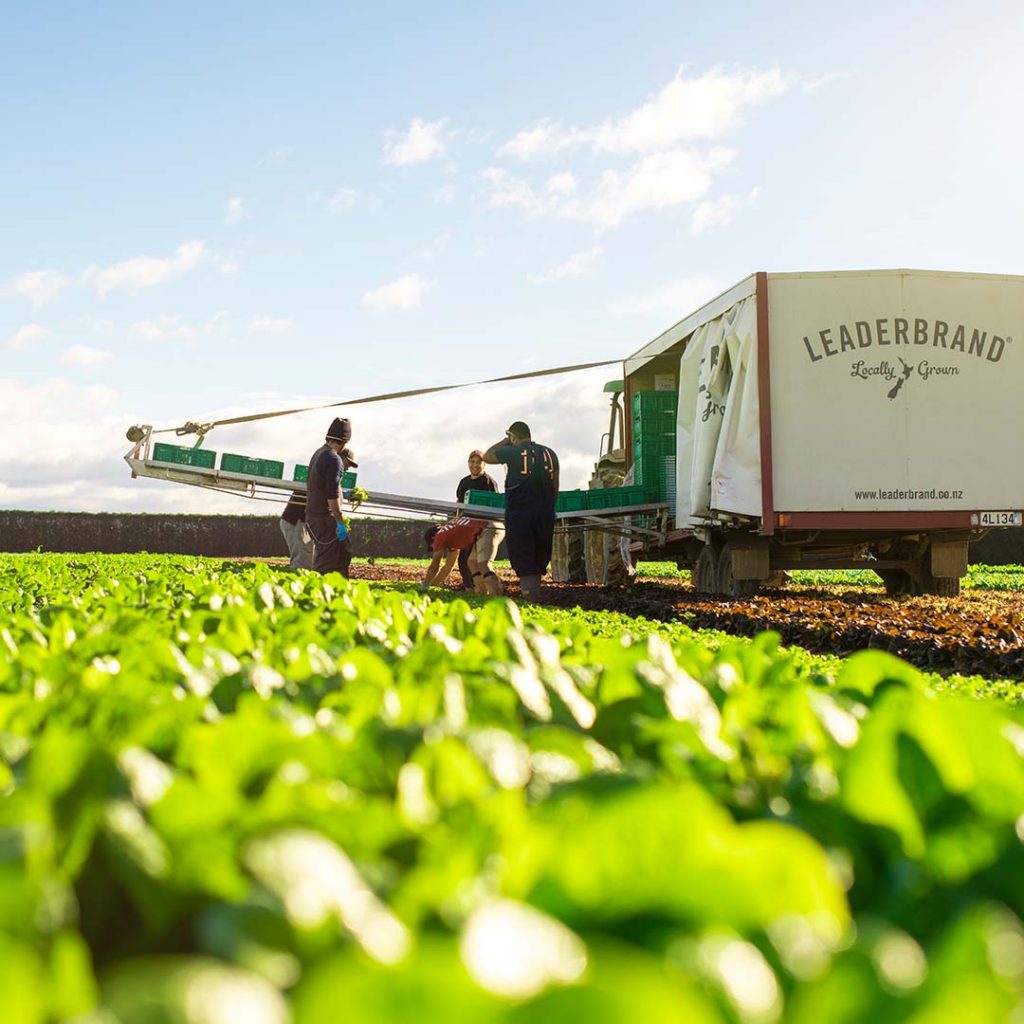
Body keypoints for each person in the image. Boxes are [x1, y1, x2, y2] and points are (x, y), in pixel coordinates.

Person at [483, 421, 558, 601]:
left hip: (520, 513)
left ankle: (530, 597)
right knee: (539, 555)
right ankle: (534, 594)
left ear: (513, 437)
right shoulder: (550, 453)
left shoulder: (513, 451)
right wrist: (549, 508)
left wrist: (505, 440)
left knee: (523, 555)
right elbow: (555, 484)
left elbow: (487, 456)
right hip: (544, 513)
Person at [305, 417, 358, 576]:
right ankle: (314, 596)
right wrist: (340, 521)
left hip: (315, 516)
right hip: (324, 519)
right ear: (345, 441)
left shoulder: (319, 453)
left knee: (343, 554)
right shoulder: (333, 459)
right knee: (326, 563)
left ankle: (340, 593)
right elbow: (332, 494)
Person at [420, 517, 505, 595]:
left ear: (433, 538)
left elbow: (433, 568)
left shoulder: (439, 537)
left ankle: (496, 596)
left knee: (483, 564)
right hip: (486, 529)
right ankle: (482, 593)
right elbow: (447, 568)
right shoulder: (450, 531)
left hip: (487, 529)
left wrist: (424, 587)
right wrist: (433, 586)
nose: (435, 548)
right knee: (471, 563)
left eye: (432, 546)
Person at [455, 450, 499, 590]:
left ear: (484, 464)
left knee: (480, 562)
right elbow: (459, 505)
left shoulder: (489, 482)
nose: (475, 465)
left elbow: (495, 505)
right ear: (468, 463)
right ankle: (470, 588)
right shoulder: (464, 482)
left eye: (478, 462)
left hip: (484, 526)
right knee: (463, 560)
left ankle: (488, 589)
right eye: (472, 462)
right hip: (467, 525)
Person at [279, 489, 313, 570]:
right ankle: (296, 579)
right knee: (303, 561)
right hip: (295, 521)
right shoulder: (318, 480)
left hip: (297, 521)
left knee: (308, 554)